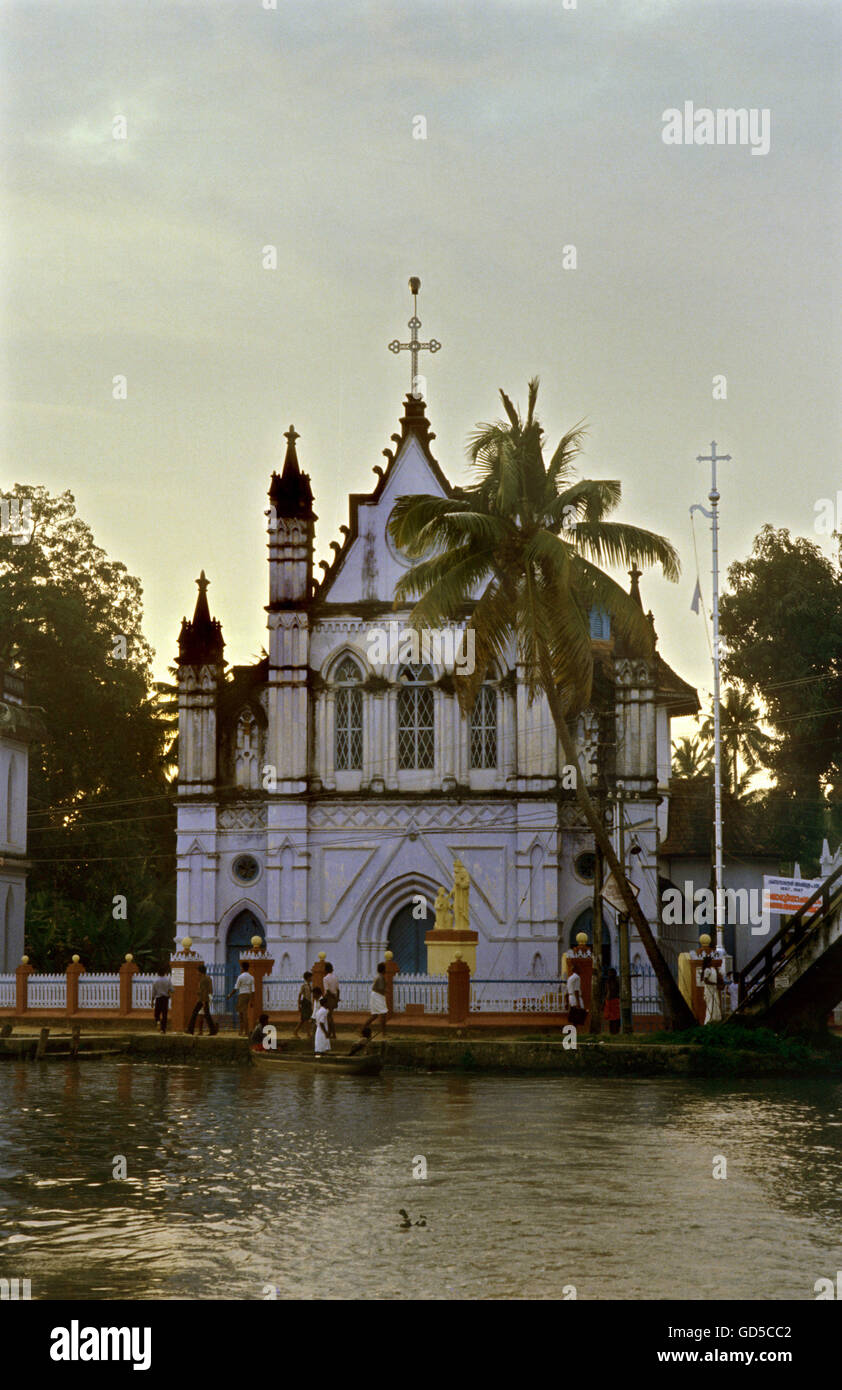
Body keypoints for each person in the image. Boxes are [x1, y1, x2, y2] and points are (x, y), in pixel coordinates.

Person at [187, 962, 218, 1036]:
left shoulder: (203, 980)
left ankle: (190, 1029)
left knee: (195, 1013)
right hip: (205, 998)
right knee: (207, 1015)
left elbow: (204, 991)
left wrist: (204, 1001)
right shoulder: (208, 978)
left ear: (200, 971)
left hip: (203, 999)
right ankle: (213, 1029)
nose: (197, 973)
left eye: (197, 971)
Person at [360, 962, 390, 1037]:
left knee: (375, 1015)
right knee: (383, 1013)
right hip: (378, 996)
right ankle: (384, 1033)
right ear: (383, 970)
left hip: (375, 995)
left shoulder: (379, 977)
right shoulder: (381, 978)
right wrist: (386, 991)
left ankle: (362, 1029)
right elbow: (380, 989)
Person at [228, 962, 255, 1037]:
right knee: (243, 1013)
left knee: (242, 1014)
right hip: (248, 995)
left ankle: (245, 1031)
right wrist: (252, 1001)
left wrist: (230, 995)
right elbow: (253, 990)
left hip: (242, 995)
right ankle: (243, 1031)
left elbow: (236, 988)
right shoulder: (251, 977)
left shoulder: (240, 977)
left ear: (242, 968)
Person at [151, 965, 173, 1034]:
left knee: (157, 1013)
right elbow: (172, 990)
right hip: (165, 999)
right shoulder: (168, 981)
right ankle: (163, 1029)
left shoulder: (155, 981)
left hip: (158, 998)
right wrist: (169, 994)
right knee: (164, 1014)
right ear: (165, 973)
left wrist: (152, 1001)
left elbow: (153, 992)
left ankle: (158, 1021)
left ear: (158, 973)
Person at [702, 955, 723, 1023]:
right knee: (710, 1005)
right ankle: (708, 1020)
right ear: (707, 962)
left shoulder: (713, 969)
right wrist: (714, 984)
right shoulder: (707, 970)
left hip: (714, 990)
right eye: (710, 961)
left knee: (716, 1005)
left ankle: (716, 1019)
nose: (711, 962)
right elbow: (706, 981)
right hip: (709, 990)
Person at [321, 962, 339, 1040]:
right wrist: (337, 998)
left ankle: (332, 1033)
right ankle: (332, 1033)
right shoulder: (335, 977)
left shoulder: (325, 978)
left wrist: (334, 997)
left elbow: (327, 991)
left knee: (329, 1017)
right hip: (334, 998)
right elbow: (338, 990)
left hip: (328, 998)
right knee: (330, 1016)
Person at [293, 971, 313, 1039]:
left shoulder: (310, 986)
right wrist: (299, 1005)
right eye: (310, 977)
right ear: (308, 978)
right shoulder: (304, 986)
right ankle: (308, 1033)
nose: (312, 978)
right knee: (306, 1018)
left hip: (308, 1003)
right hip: (305, 1003)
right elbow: (300, 995)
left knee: (303, 1019)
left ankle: (295, 1031)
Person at [603, 966, 621, 1035]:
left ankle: (613, 1031)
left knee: (613, 1017)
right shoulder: (615, 981)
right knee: (615, 1017)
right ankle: (615, 1031)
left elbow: (607, 992)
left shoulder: (610, 982)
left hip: (612, 1000)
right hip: (614, 1000)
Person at [313, 990, 331, 1057]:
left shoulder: (319, 1011)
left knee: (319, 1046)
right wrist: (326, 1032)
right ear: (325, 1004)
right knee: (322, 1047)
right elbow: (321, 1023)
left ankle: (318, 1057)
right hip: (322, 1031)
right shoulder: (324, 1011)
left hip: (319, 1031)